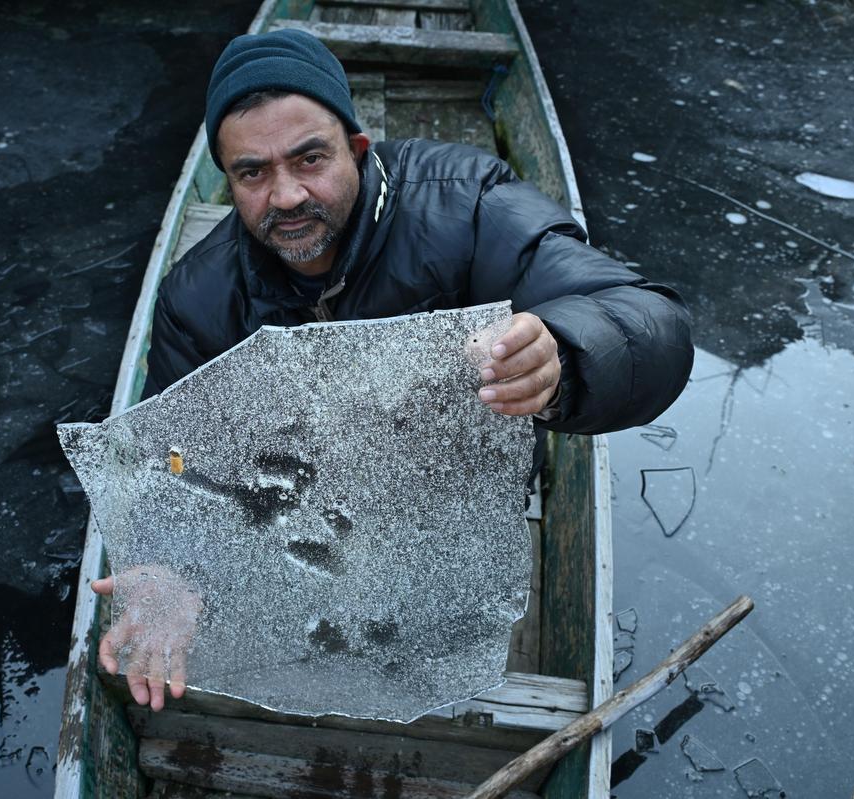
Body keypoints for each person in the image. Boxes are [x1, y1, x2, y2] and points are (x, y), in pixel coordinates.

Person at [93, 28, 694, 711]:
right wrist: (173, 565)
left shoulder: (469, 207)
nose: (287, 195)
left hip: (457, 521)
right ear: (229, 181)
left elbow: (651, 320)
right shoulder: (195, 300)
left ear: (356, 148)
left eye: (309, 158)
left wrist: (562, 349)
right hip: (303, 527)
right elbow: (172, 463)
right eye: (252, 172)